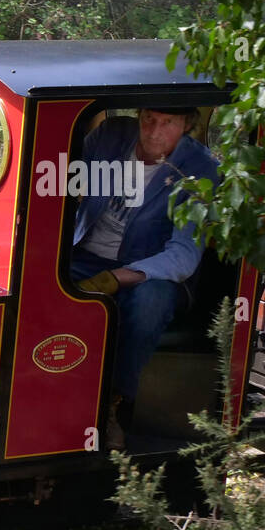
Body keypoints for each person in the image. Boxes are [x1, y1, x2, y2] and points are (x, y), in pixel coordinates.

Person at [68, 107, 221, 449]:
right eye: (149, 119)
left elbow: (183, 256)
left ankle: (113, 408)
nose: (154, 131)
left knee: (150, 301)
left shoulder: (201, 169)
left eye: (169, 122)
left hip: (152, 271)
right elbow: (66, 183)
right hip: (86, 254)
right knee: (42, 281)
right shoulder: (110, 136)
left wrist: (117, 278)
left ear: (187, 125)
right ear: (138, 116)